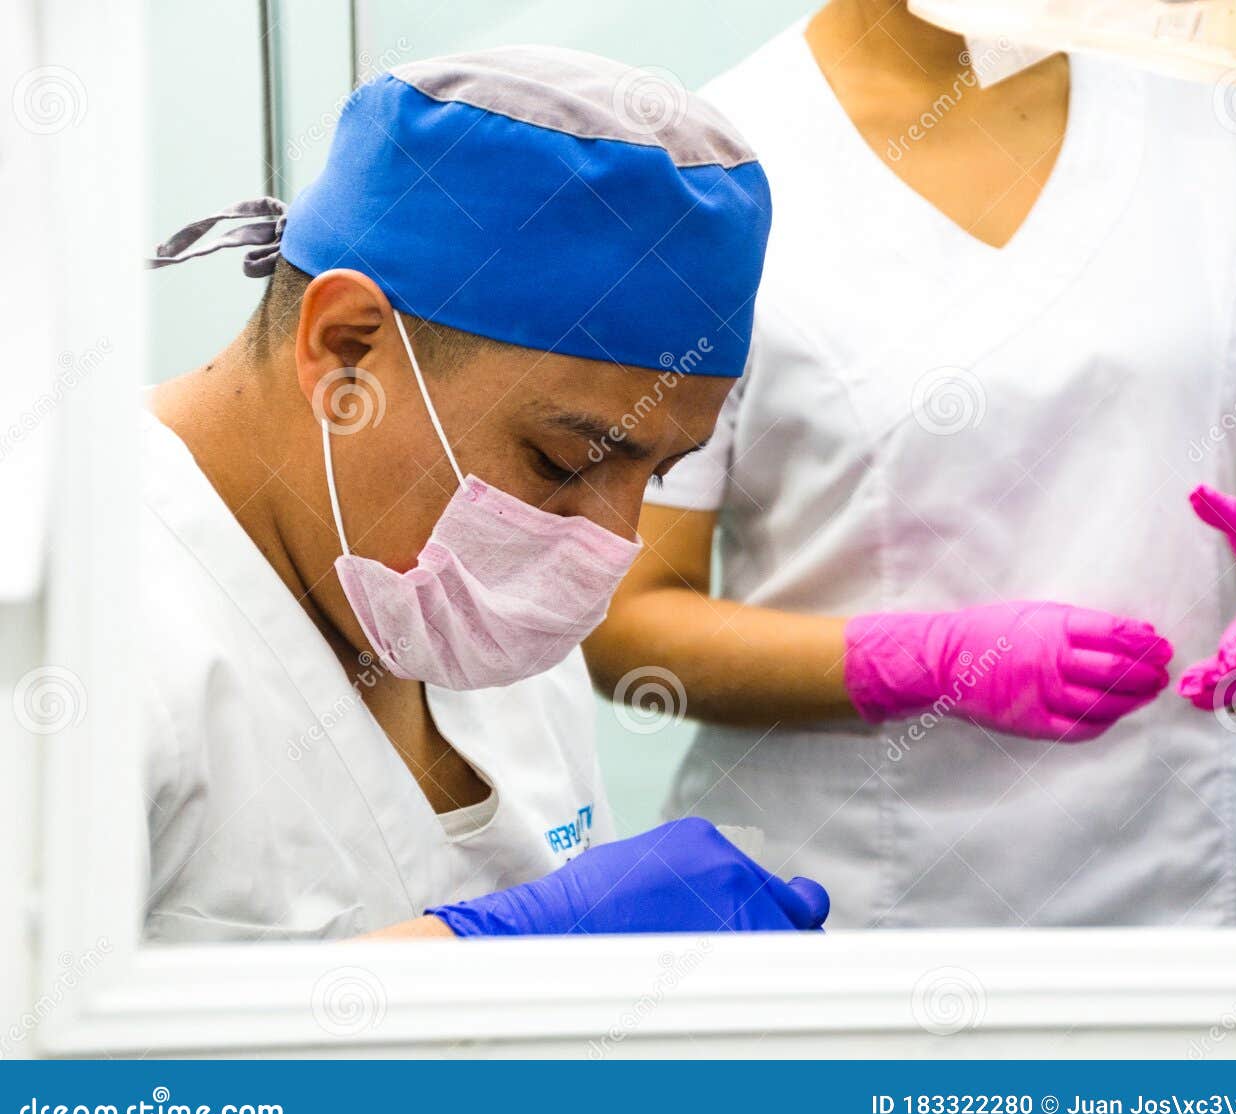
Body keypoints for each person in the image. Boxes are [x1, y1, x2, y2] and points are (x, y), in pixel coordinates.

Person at [584, 1, 1236, 928]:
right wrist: (919, 664)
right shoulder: (716, 169)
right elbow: (631, 629)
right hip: (859, 891)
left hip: (1205, 868)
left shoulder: (1214, 111)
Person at [139, 46, 827, 942]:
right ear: (347, 350)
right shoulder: (80, 630)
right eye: (562, 461)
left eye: (657, 474)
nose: (610, 545)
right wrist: (468, 964)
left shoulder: (477, 605)